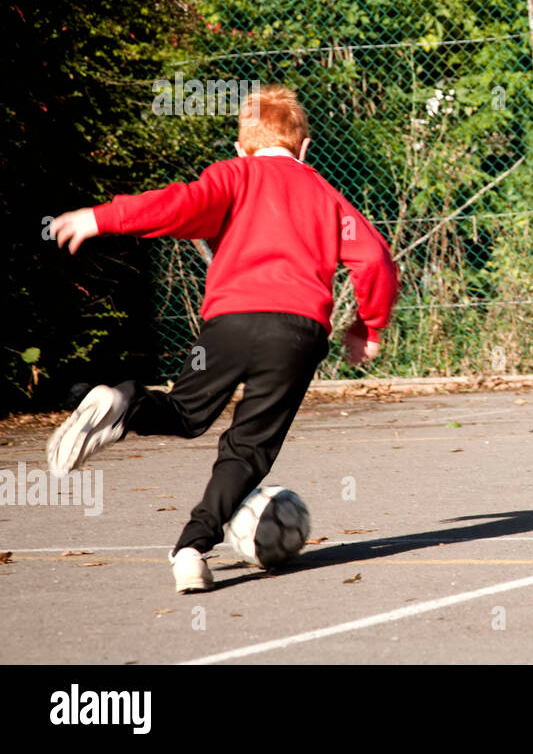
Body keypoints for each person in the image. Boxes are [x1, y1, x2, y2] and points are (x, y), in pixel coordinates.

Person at [46, 85, 398, 592]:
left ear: (241, 148)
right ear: (305, 148)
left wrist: (102, 217)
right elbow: (376, 260)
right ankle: (191, 549)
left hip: (227, 326)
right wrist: (369, 326)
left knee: (186, 414)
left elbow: (177, 204)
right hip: (295, 334)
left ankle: (121, 404)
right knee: (248, 450)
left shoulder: (233, 175)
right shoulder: (325, 193)